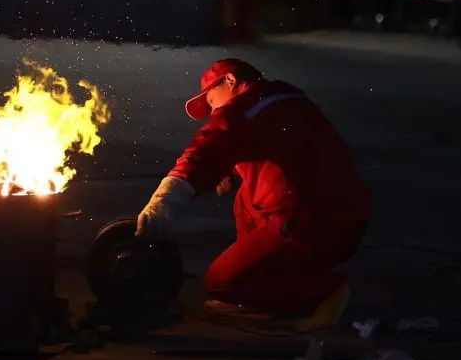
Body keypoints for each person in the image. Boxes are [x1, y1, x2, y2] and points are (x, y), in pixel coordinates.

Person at [136, 59, 372, 321]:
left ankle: (323, 290)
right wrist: (229, 168)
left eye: (212, 102)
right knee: (245, 199)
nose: (214, 111)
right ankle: (265, 272)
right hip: (342, 217)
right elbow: (283, 146)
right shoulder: (282, 99)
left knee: (219, 281)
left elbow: (206, 147)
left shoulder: (247, 108)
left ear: (230, 82)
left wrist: (165, 198)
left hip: (310, 224)